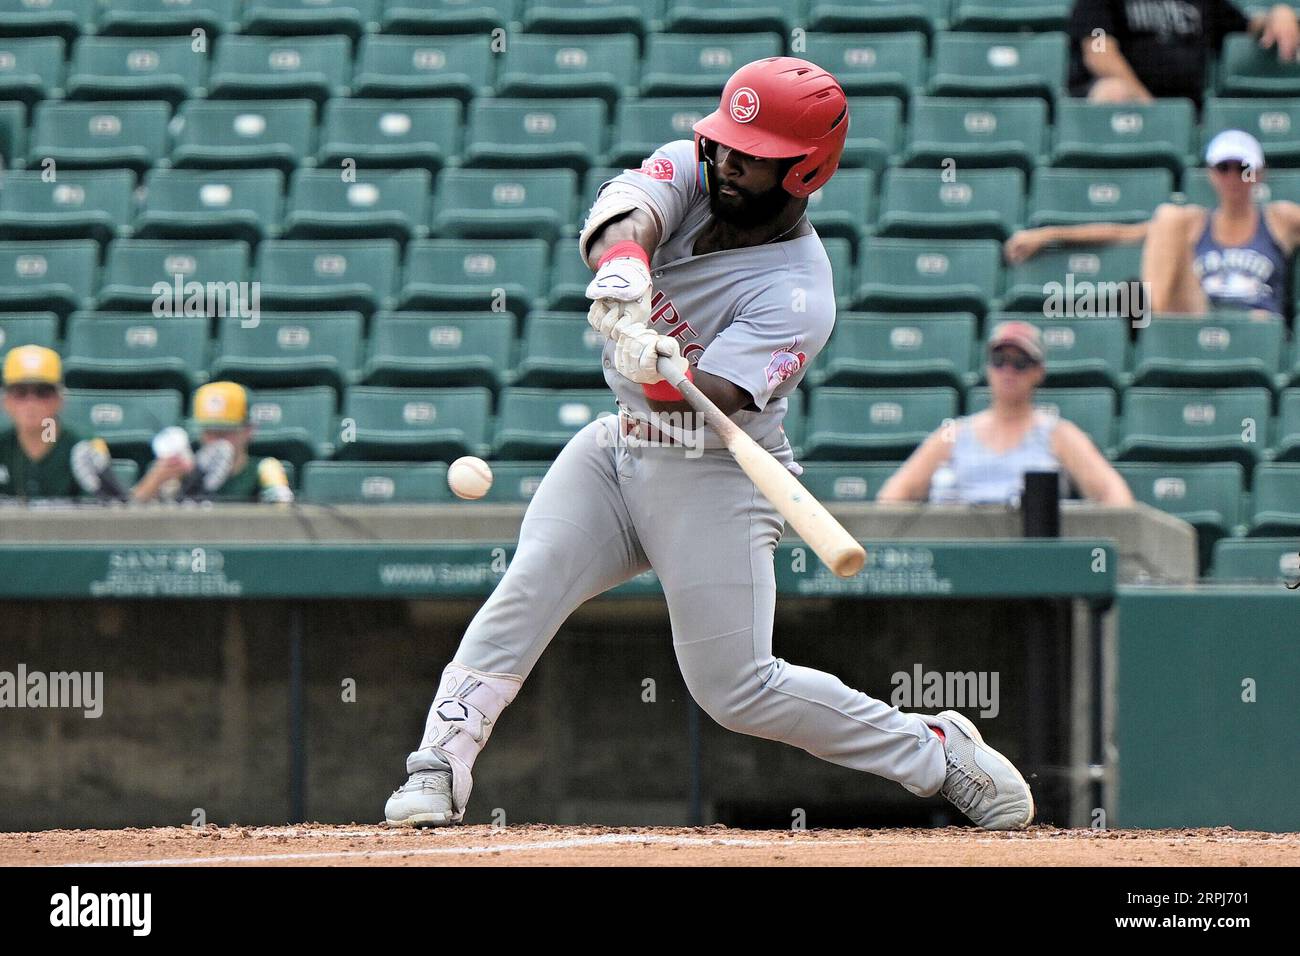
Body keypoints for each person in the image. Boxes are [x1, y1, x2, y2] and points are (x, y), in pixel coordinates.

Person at [383, 58, 1035, 832]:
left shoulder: (798, 292)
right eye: (727, 142)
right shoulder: (700, 167)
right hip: (613, 450)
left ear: (805, 169)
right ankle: (439, 761)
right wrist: (625, 271)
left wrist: (656, 367)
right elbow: (625, 210)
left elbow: (710, 407)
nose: (728, 161)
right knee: (529, 583)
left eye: (754, 154)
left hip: (715, 472)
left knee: (736, 688)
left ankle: (934, 750)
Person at [1006, 130, 1300, 319]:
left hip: (1257, 322)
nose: (1234, 177)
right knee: (1169, 216)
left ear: (1260, 174)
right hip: (1193, 317)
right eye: (1224, 168)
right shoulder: (1194, 223)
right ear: (1211, 173)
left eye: (1243, 168)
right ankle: (1151, 315)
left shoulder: (1279, 219)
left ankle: (1143, 312)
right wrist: (1049, 234)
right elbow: (1122, 234)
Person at [877, 322, 1135, 506]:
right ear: (988, 368)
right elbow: (892, 497)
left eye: (1020, 363)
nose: (1008, 371)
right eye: (999, 361)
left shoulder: (1059, 434)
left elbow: (1114, 494)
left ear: (1038, 371)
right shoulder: (953, 434)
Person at [1068, 0, 1299, 105]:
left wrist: (1276, 15)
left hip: (1189, 111)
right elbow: (1098, 51)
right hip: (1130, 103)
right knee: (1113, 91)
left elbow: (1246, 26)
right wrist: (1150, 107)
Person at [132, 381, 293, 503]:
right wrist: (156, 480)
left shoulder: (264, 469)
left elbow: (285, 516)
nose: (216, 440)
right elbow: (131, 513)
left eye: (225, 432)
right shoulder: (186, 472)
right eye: (209, 432)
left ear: (249, 430)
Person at [0, 345, 92, 499]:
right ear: (6, 401)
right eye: (20, 393)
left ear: (59, 399)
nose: (31, 402)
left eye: (42, 392)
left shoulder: (83, 449)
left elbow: (114, 511)